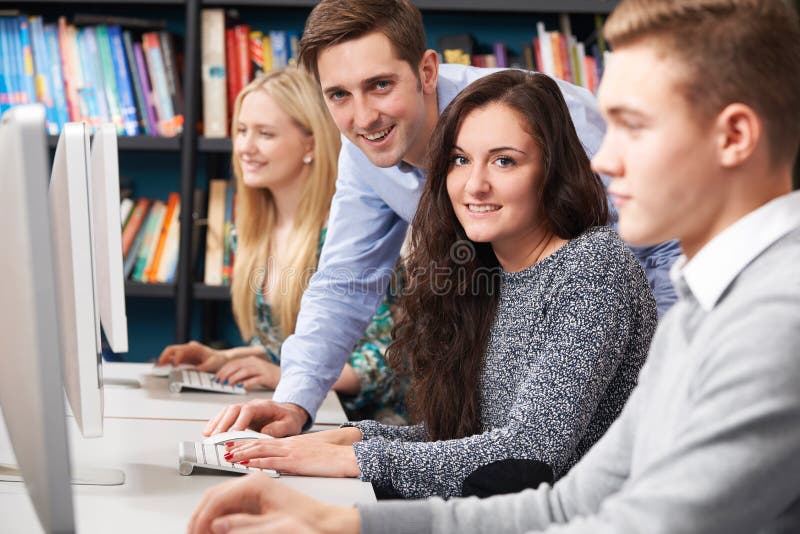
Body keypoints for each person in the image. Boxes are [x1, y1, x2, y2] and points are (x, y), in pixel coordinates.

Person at [187, 0, 800, 532]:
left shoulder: (758, 315)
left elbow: (610, 503)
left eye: (632, 127)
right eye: (456, 162)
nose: (605, 160)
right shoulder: (693, 310)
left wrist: (358, 477)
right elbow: (565, 504)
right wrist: (337, 501)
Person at [203, 0, 681, 439]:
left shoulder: (539, 115)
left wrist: (661, 387)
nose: (363, 117)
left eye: (381, 85)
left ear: (426, 71)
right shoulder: (363, 153)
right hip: (497, 357)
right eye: (339, 95)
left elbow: (665, 243)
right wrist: (293, 402)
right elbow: (344, 281)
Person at [209, 70, 657, 500]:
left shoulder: (595, 267)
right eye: (461, 160)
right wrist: (344, 437)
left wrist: (356, 459)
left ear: (552, 170)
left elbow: (527, 454)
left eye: (504, 161)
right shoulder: (486, 272)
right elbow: (467, 439)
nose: (475, 184)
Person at [157, 68, 407, 424]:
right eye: (241, 131)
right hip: (305, 418)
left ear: (310, 144)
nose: (246, 147)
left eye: (265, 134)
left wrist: (291, 383)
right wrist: (226, 358)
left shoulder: (350, 241)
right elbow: (299, 342)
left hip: (367, 432)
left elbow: (388, 361)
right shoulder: (246, 233)